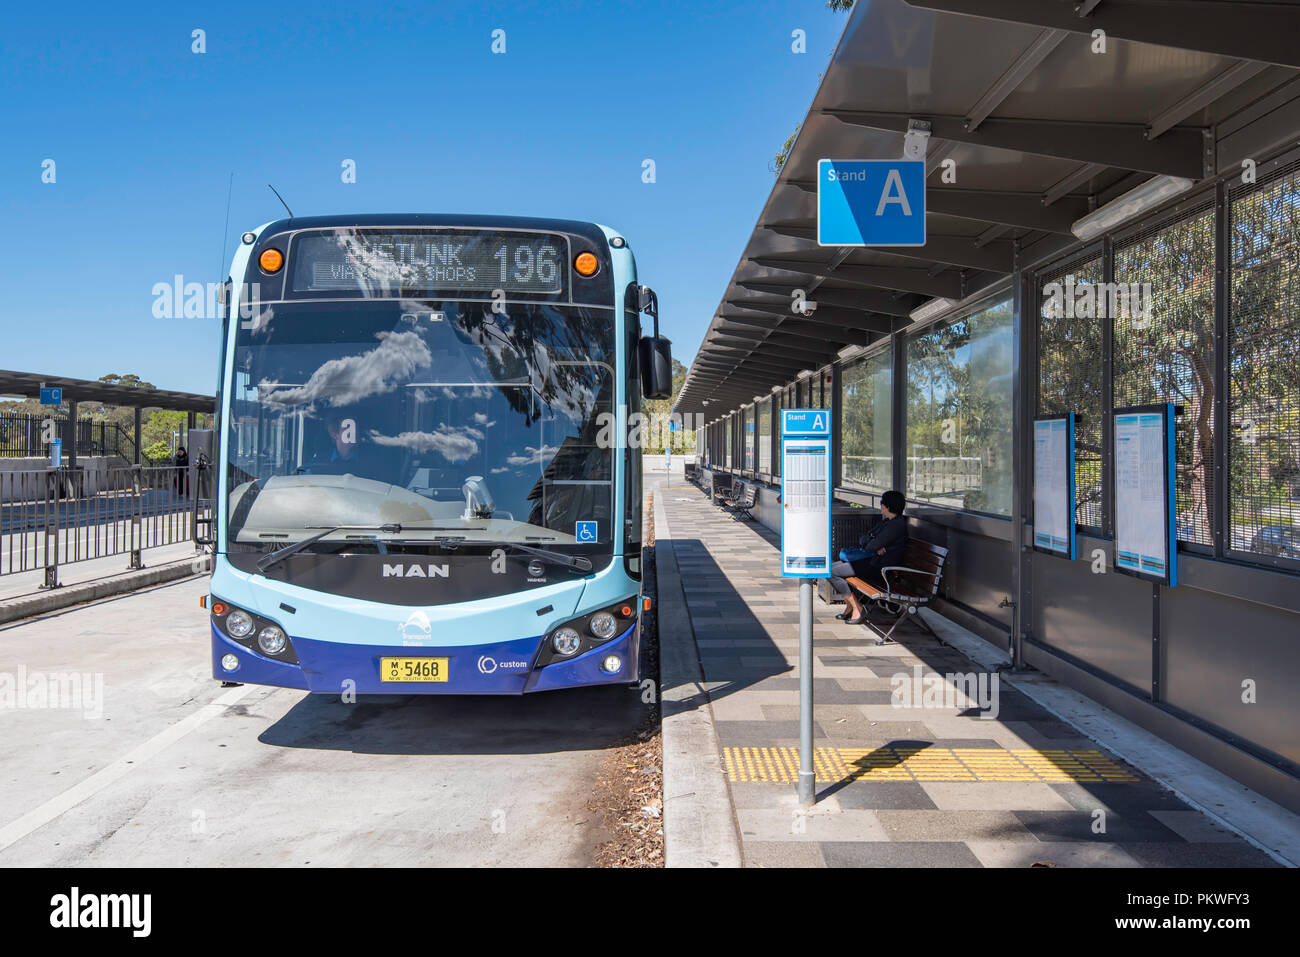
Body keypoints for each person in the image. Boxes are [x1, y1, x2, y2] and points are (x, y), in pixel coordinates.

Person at [827, 489, 908, 625]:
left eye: (882, 503)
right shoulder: (887, 522)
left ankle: (857, 607)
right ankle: (851, 606)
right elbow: (864, 539)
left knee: (831, 572)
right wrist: (873, 541)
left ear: (887, 506)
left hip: (880, 567)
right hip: (872, 561)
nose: (881, 506)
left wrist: (873, 542)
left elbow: (870, 546)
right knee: (830, 568)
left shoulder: (896, 526)